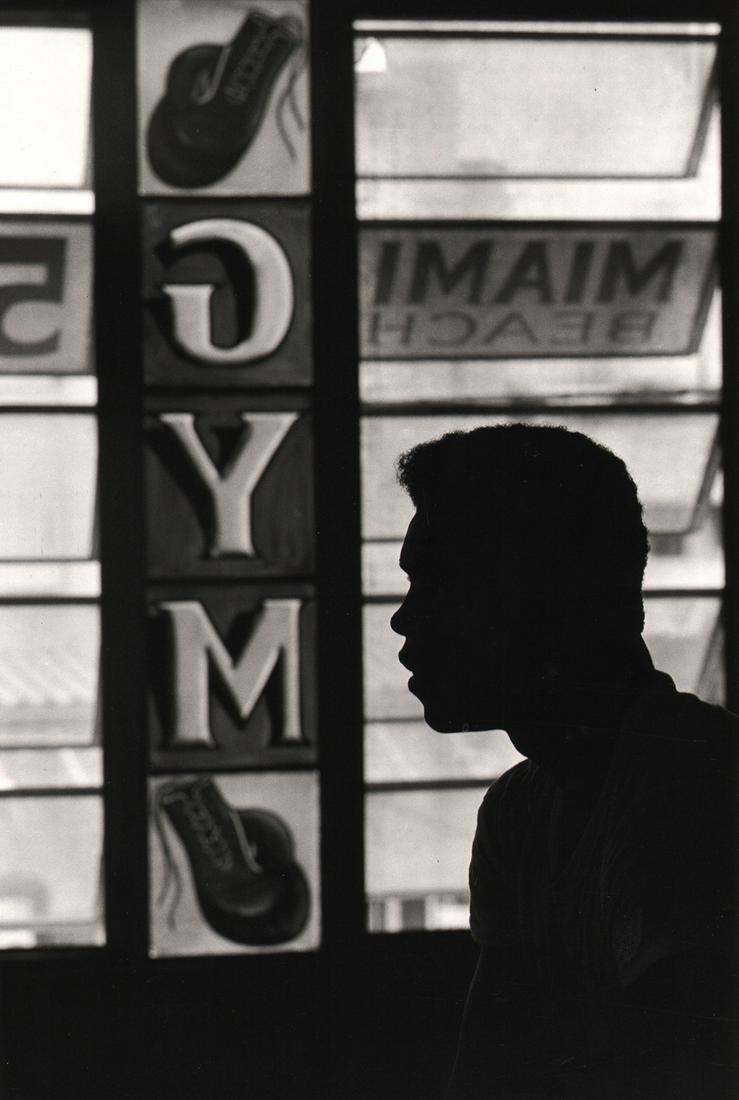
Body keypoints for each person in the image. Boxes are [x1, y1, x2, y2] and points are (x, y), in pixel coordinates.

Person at [390, 424, 738, 1099]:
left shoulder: (693, 801)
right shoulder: (522, 806)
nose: (404, 620)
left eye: (436, 584)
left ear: (531, 597)